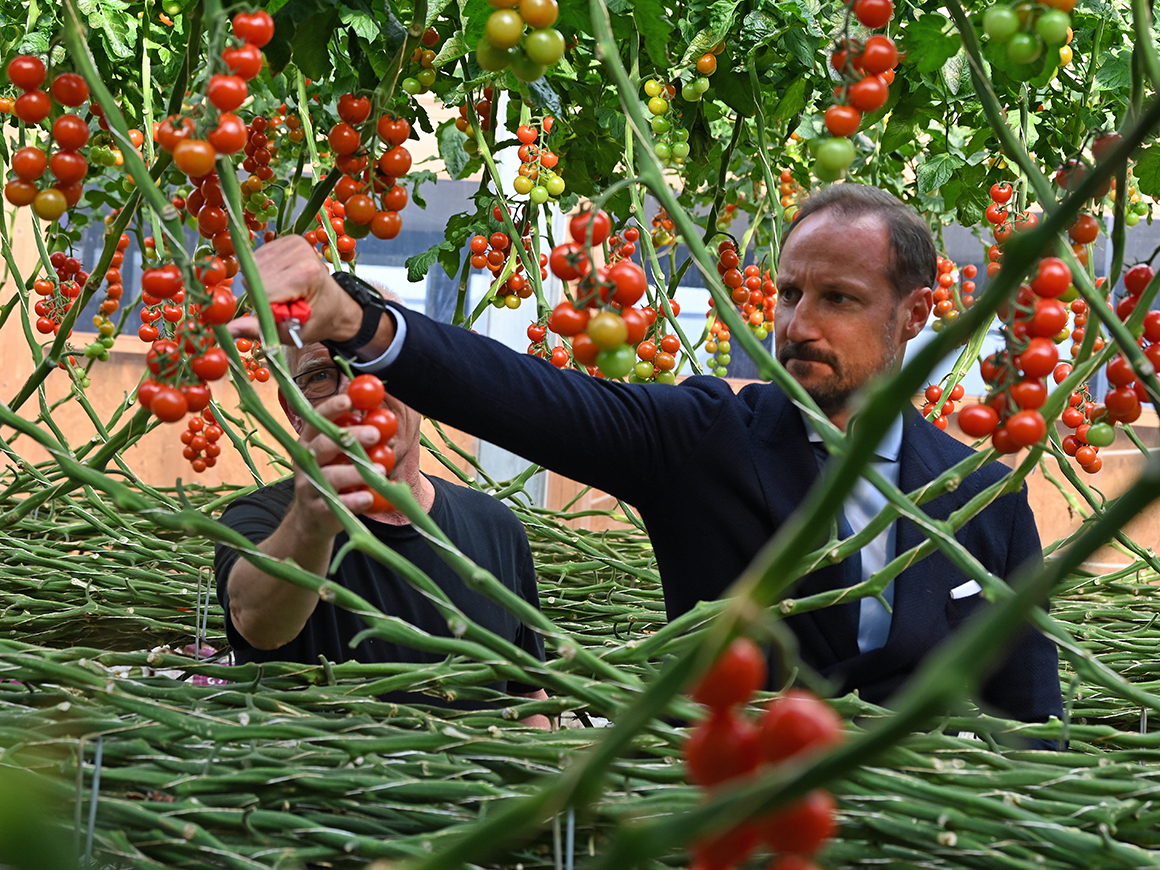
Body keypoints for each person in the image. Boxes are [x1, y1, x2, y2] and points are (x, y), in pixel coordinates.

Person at [233, 184, 1063, 734]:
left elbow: (1030, 715)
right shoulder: (706, 439)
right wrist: (357, 322)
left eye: (838, 299)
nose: (797, 324)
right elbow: (525, 395)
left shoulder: (979, 499)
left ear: (915, 313)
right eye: (787, 293)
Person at [213, 333, 550, 726]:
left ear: (419, 386)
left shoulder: (496, 526)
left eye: (374, 363)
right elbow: (258, 622)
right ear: (294, 410)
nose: (354, 393)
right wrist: (311, 525)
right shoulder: (260, 520)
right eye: (320, 376)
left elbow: (528, 697)